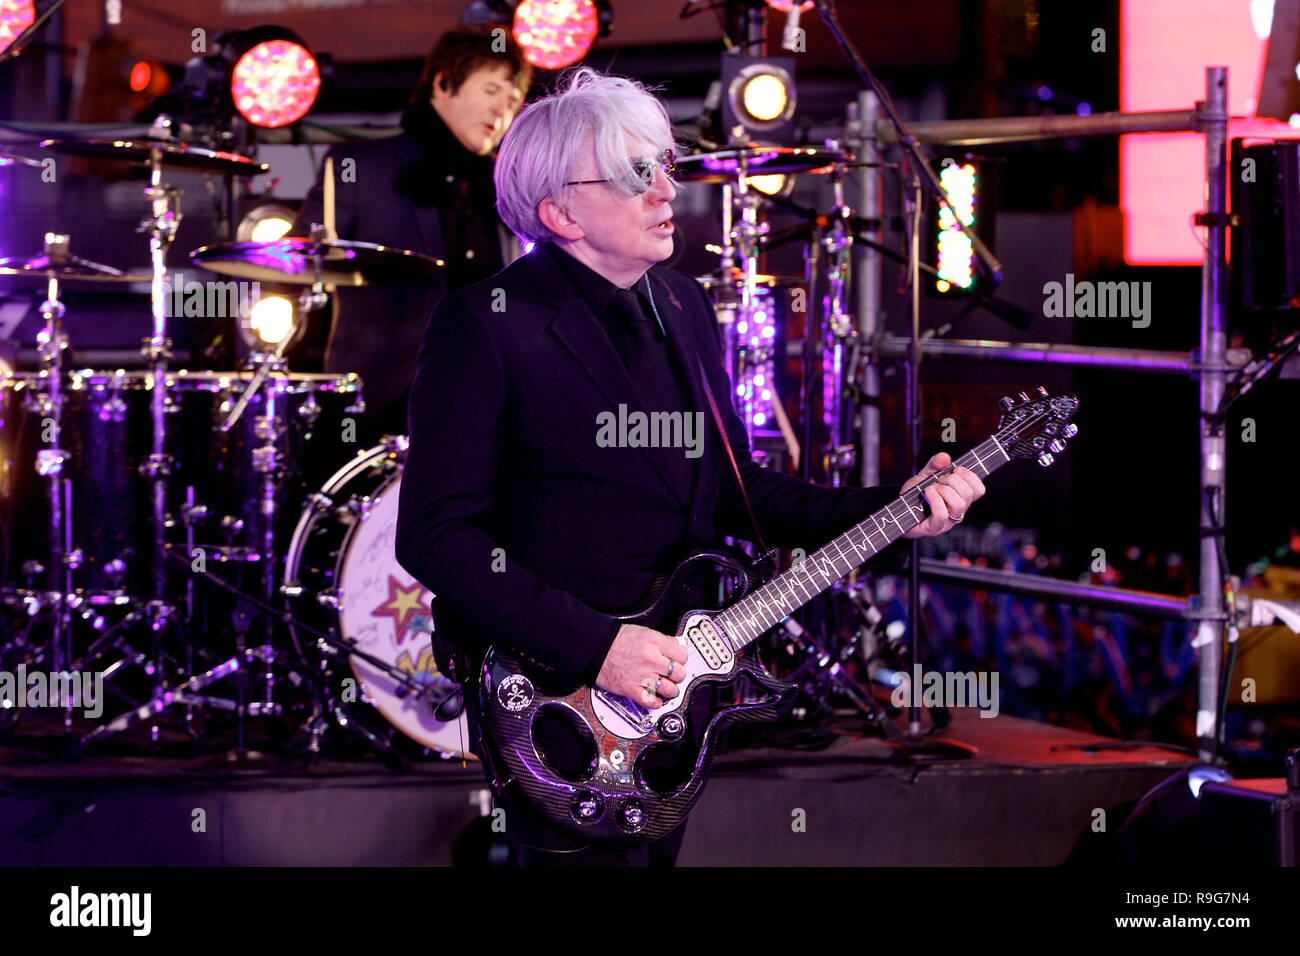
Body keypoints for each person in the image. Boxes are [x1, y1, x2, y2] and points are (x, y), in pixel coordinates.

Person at [394, 68, 985, 866]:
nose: (667, 190)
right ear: (559, 212)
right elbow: (434, 536)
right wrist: (599, 645)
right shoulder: (486, 323)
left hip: (674, 696)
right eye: (637, 175)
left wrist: (898, 504)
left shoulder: (681, 305)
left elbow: (741, 491)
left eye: (665, 165)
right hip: (556, 697)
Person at [291, 27, 531, 441]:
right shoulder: (360, 168)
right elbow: (293, 266)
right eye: (491, 90)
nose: (502, 111)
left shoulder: (507, 186)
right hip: (382, 405)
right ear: (441, 84)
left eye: (512, 100)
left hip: (491, 405)